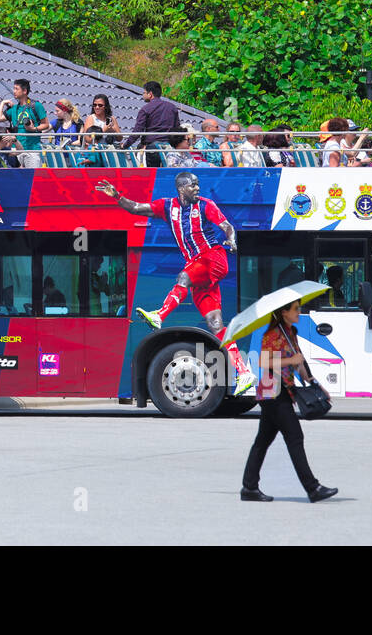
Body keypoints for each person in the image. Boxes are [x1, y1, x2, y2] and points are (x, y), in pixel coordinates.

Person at [94, 173, 257, 396]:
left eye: (198, 184)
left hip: (213, 258)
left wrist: (231, 239)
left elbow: (227, 226)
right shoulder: (166, 206)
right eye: (193, 185)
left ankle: (159, 315)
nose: (198, 188)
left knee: (183, 278)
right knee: (215, 322)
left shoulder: (206, 205)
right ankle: (244, 372)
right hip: (199, 267)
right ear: (181, 189)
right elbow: (135, 208)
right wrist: (116, 196)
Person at [241, 297, 338, 502]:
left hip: (282, 391)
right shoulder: (272, 334)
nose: (298, 312)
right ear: (284, 312)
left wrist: (314, 384)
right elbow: (264, 361)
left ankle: (249, 488)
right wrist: (291, 360)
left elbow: (299, 361)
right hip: (273, 392)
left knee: (262, 441)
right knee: (294, 437)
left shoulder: (291, 333)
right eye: (295, 309)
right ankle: (313, 488)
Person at [0, 79, 50, 169]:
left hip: (32, 150)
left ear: (24, 91)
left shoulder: (36, 106)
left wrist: (33, 129)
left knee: (32, 179)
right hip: (16, 150)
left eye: (16, 89)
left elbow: (46, 124)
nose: (14, 91)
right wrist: (2, 103)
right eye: (14, 88)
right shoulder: (14, 108)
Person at [122, 81, 178, 165]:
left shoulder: (146, 109)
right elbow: (177, 128)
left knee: (150, 176)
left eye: (144, 92)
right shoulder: (172, 107)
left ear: (150, 94)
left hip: (152, 149)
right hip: (170, 149)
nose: (143, 95)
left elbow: (137, 131)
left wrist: (125, 145)